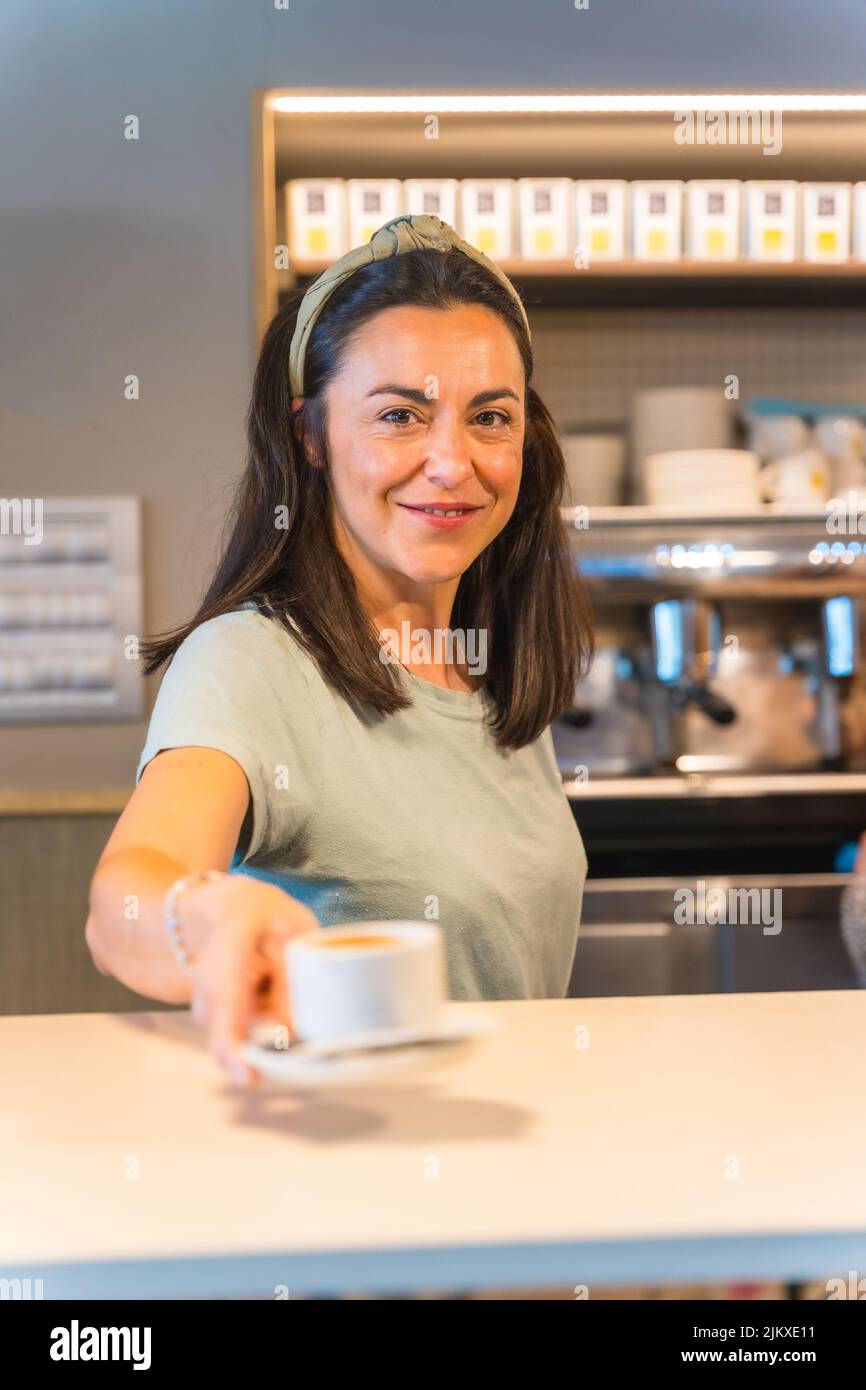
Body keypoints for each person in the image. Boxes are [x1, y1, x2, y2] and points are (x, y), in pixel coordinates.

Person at [85, 214, 594, 1087]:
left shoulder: (490, 669)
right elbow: (124, 894)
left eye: (490, 418)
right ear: (310, 437)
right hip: (351, 1175)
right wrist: (203, 916)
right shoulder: (251, 662)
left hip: (508, 1172)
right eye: (399, 414)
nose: (451, 461)